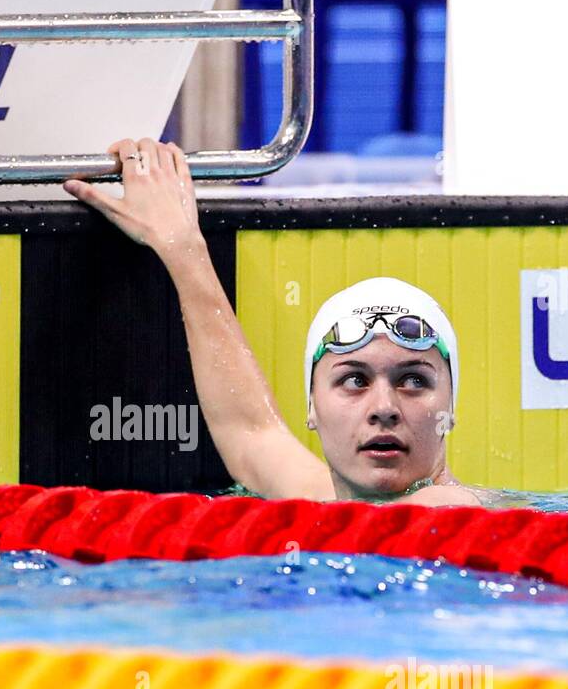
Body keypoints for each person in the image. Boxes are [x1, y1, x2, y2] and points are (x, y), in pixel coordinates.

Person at [64, 137, 490, 508]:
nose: (383, 409)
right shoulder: (319, 496)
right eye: (354, 381)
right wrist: (180, 243)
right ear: (311, 406)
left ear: (450, 409)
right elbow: (251, 432)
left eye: (414, 381)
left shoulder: (449, 509)